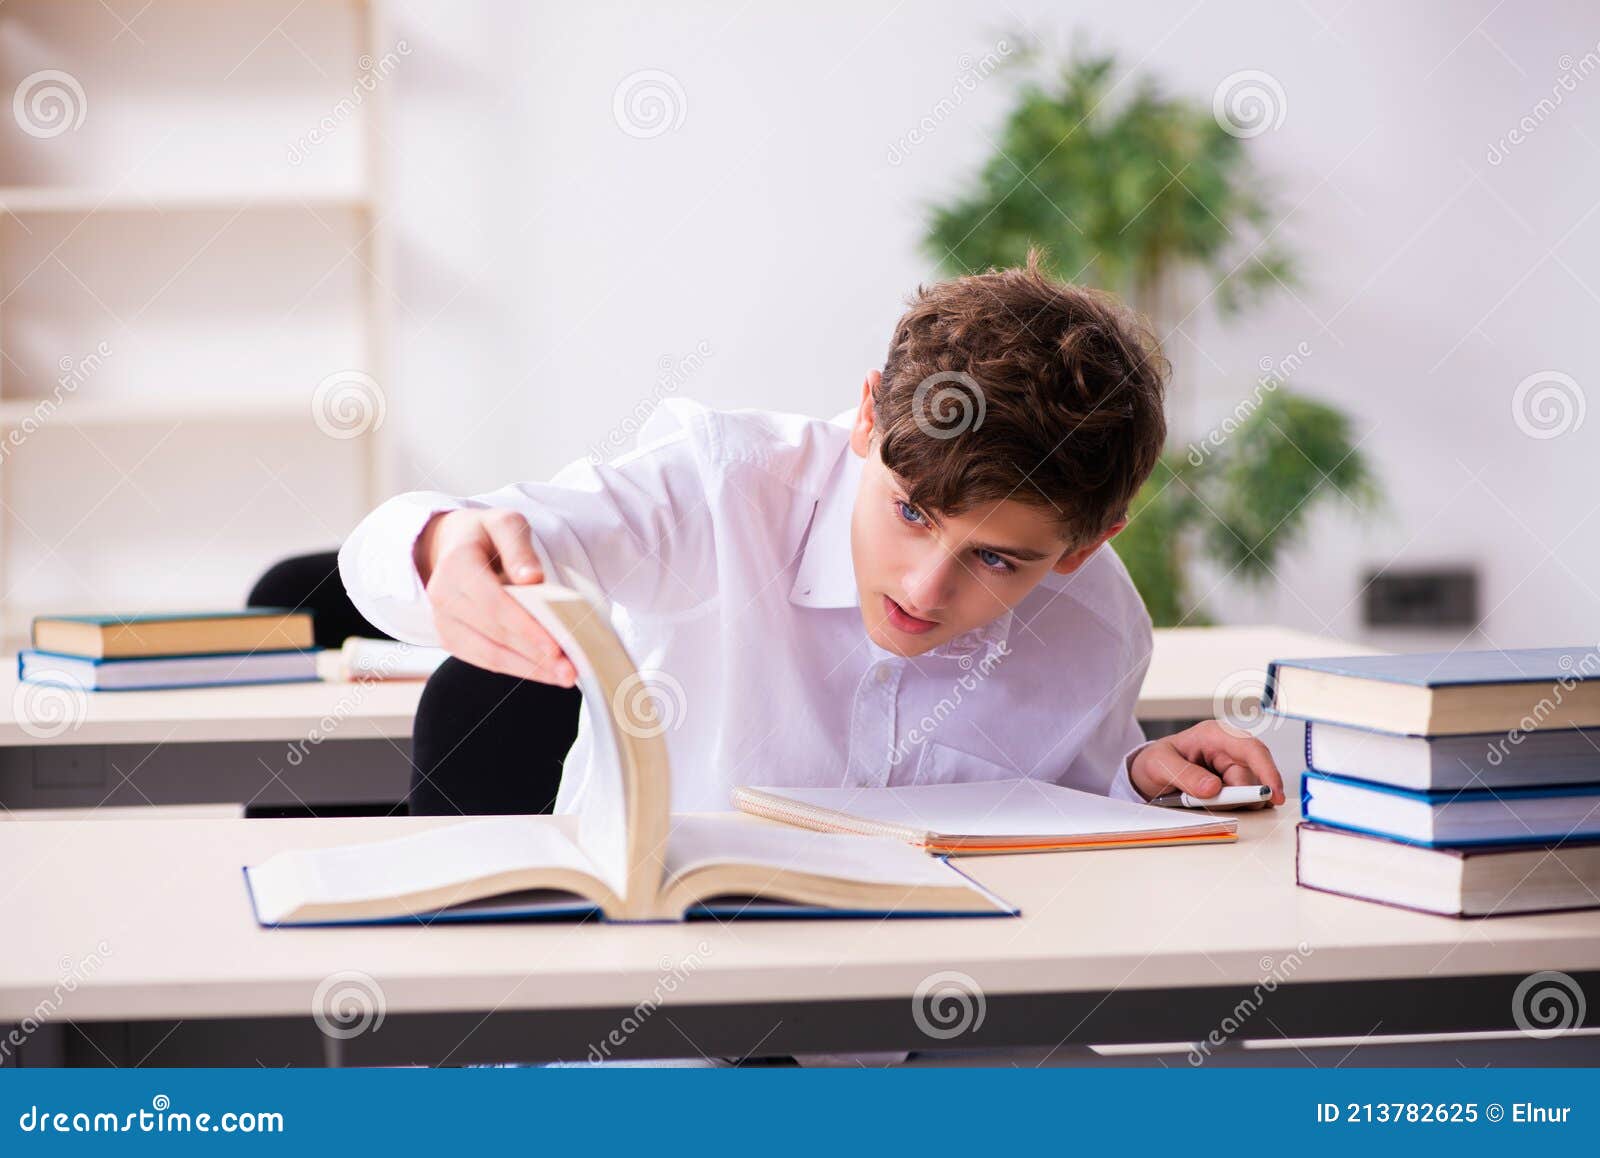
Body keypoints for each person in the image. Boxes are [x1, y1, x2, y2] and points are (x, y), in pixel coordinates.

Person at [339, 252, 1284, 820]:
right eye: (911, 512)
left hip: (916, 1037)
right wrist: (441, 546)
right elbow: (386, 552)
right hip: (658, 1028)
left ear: (1085, 545)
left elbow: (1058, 815)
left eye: (996, 558)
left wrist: (1138, 781)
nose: (923, 589)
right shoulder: (720, 489)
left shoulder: (1101, 627)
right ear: (867, 418)